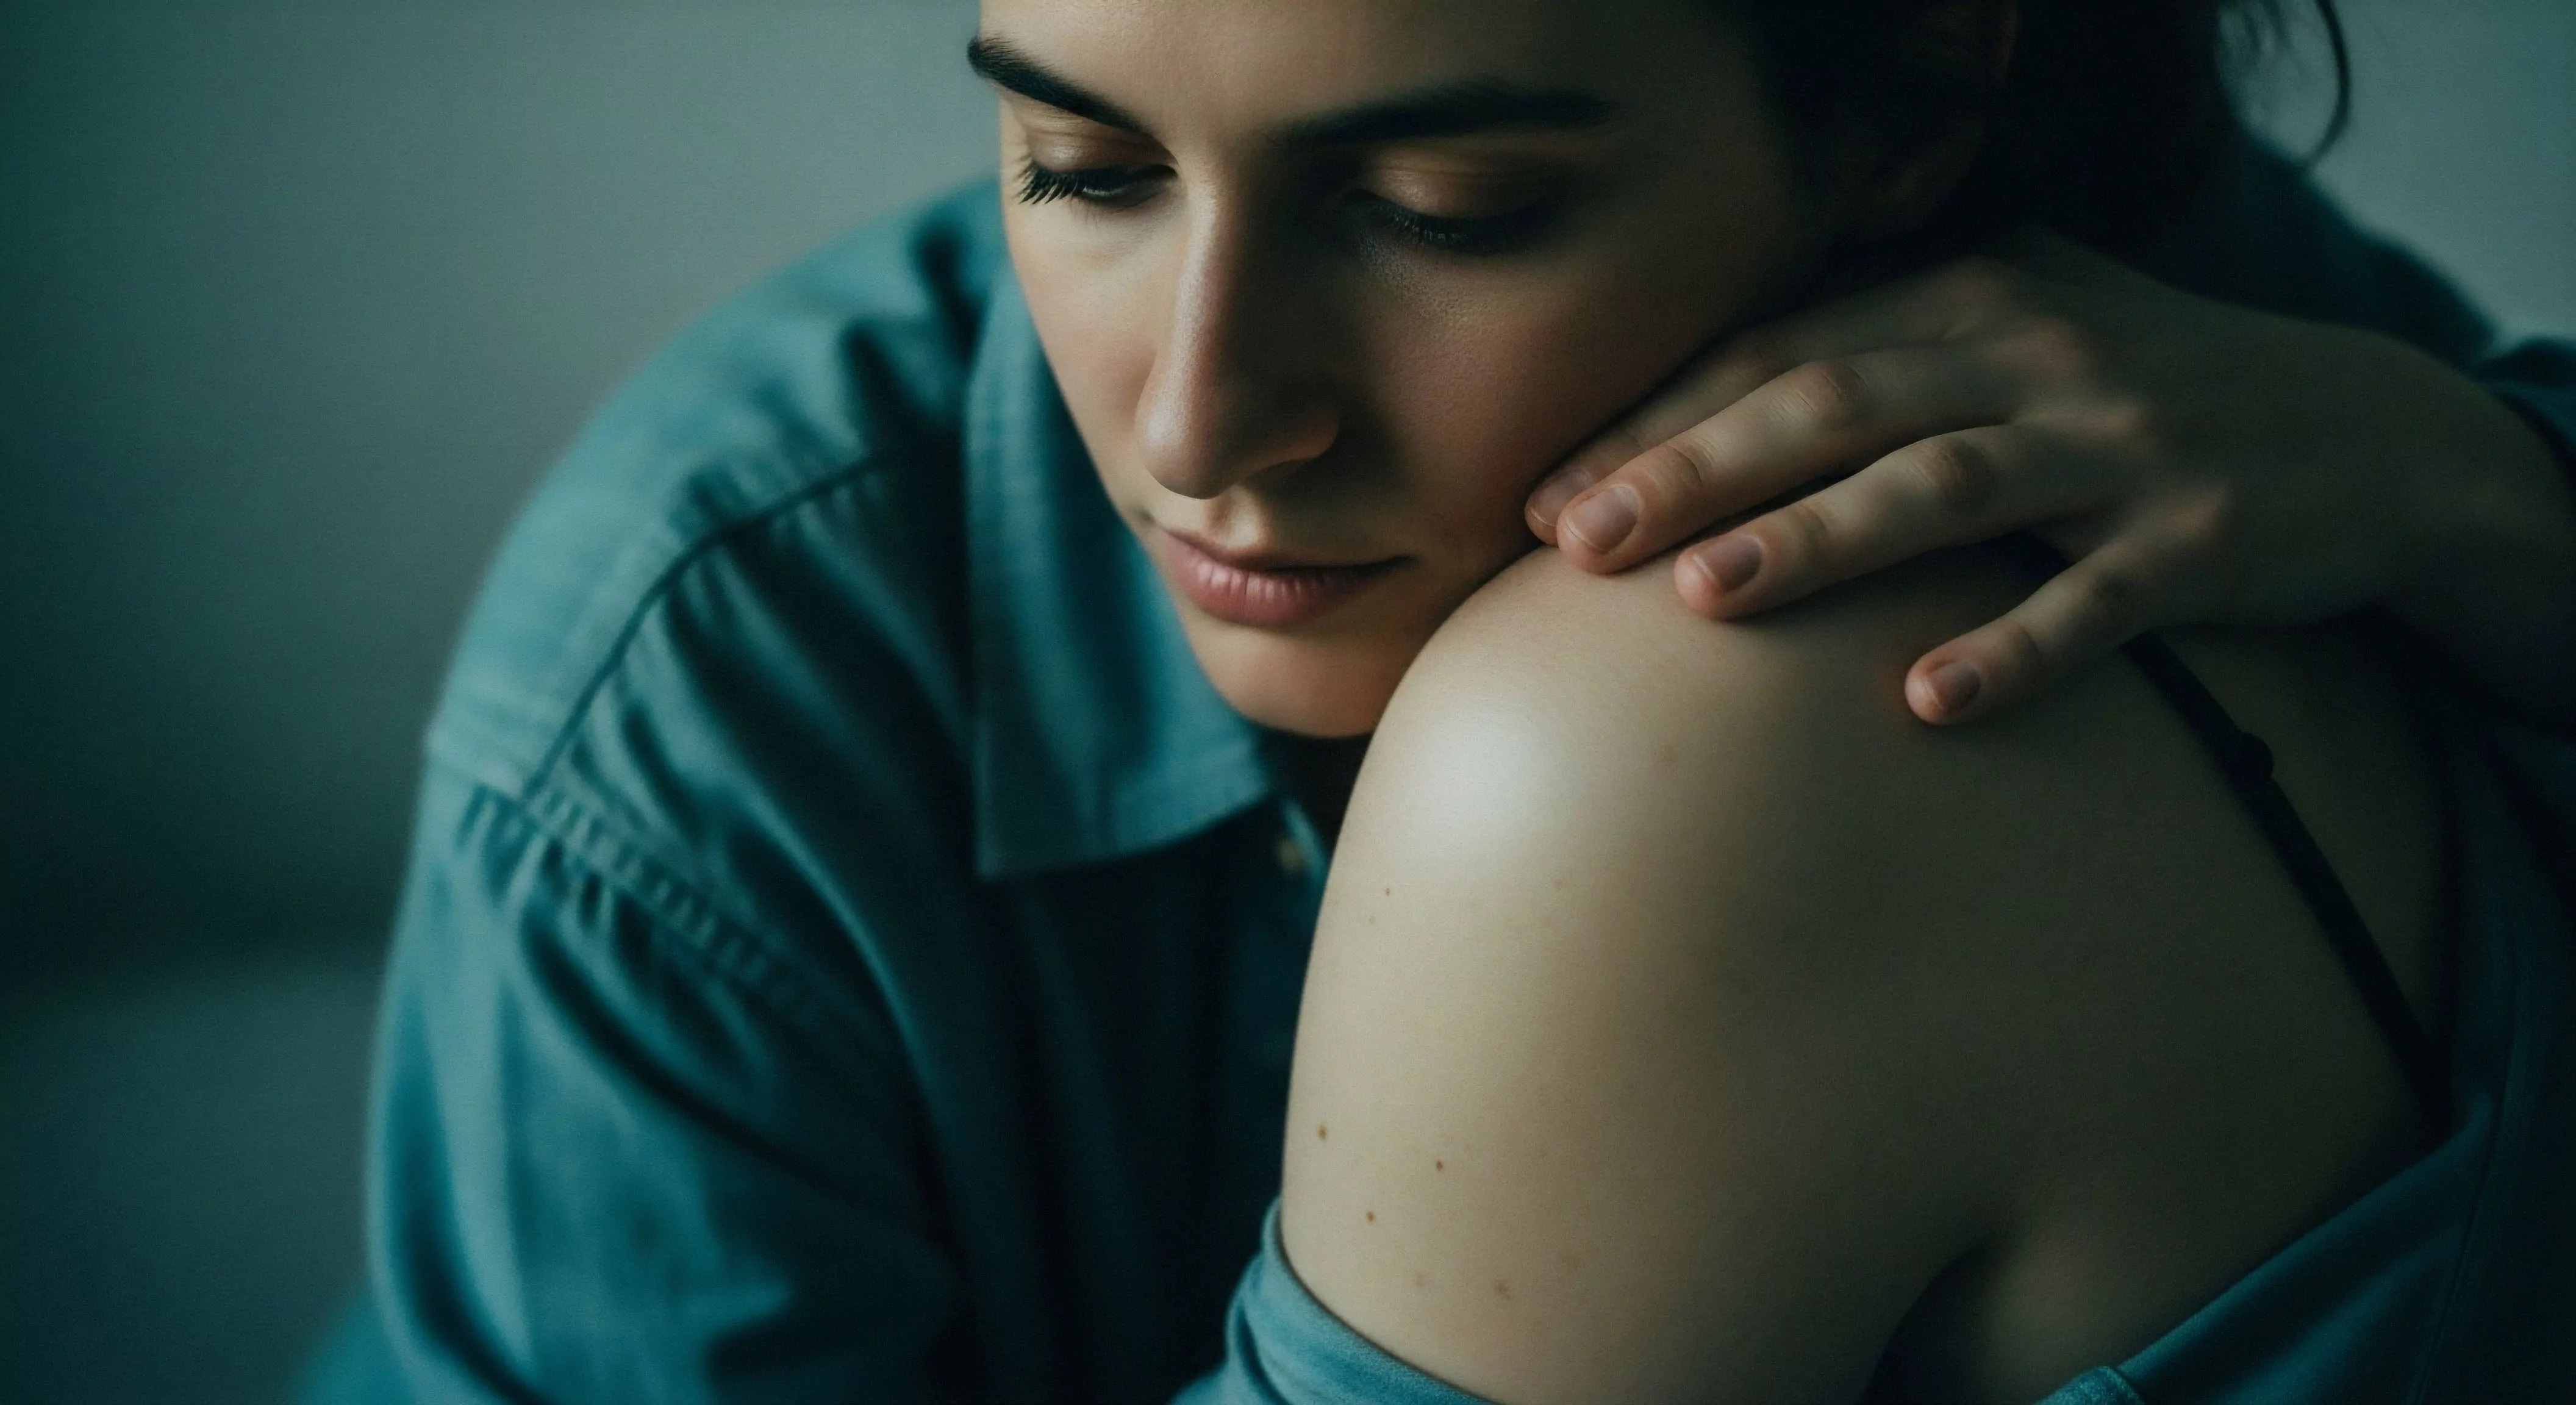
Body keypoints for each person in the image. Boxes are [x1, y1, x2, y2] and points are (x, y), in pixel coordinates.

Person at [308, 0, 2576, 1400]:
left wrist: (2483, 484)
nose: (1203, 419)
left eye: (1438, 205)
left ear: (1911, 106)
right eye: (1084, 169)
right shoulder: (686, 703)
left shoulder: (2114, 331)